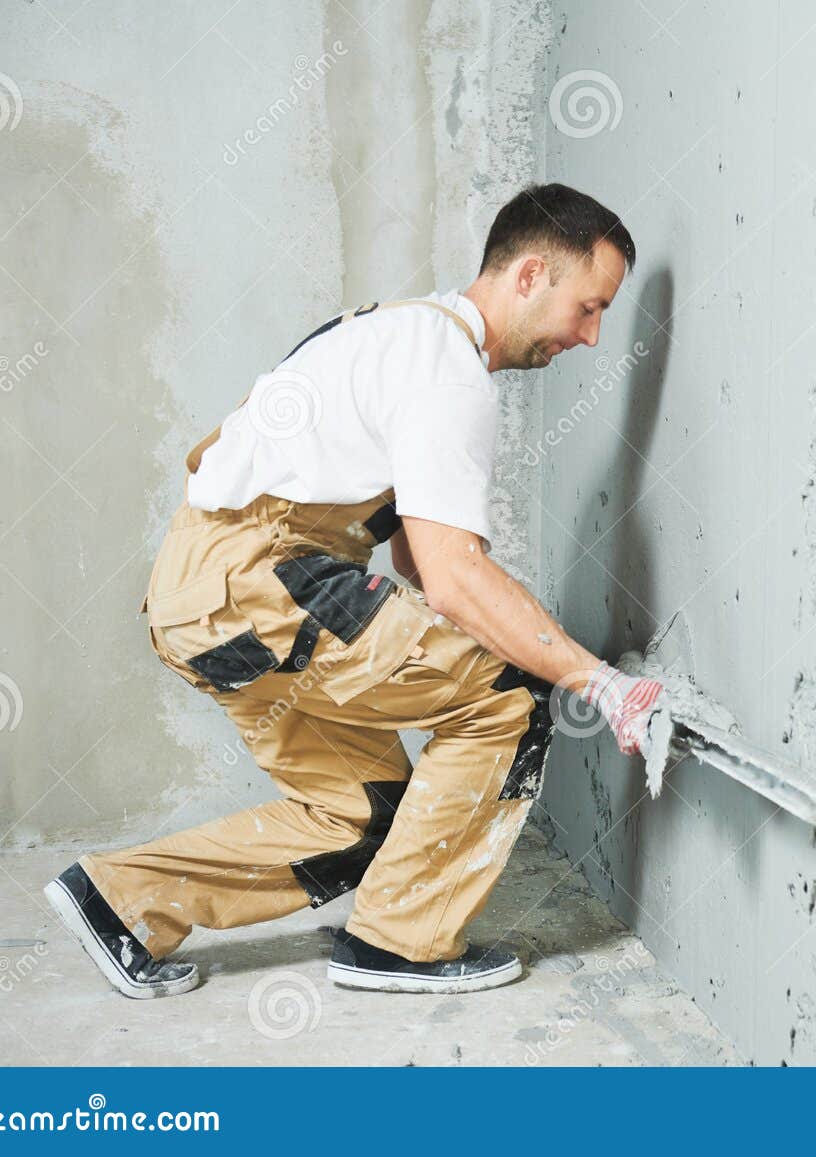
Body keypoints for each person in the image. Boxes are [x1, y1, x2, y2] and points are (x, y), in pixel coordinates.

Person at [43, 183, 663, 998]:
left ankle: (122, 899)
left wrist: (502, 621)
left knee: (360, 814)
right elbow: (450, 578)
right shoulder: (447, 374)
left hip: (206, 590)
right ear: (530, 274)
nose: (589, 337)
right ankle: (401, 944)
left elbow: (417, 560)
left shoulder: (398, 336)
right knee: (511, 689)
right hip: (257, 584)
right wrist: (599, 681)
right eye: (588, 308)